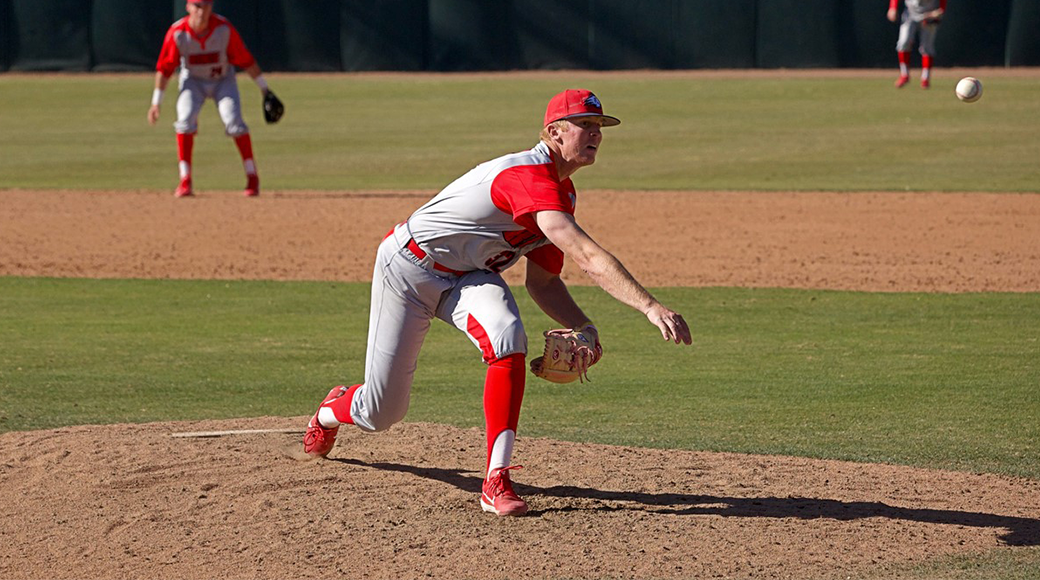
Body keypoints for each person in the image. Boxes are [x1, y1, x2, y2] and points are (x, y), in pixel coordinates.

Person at [301, 89, 693, 517]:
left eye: (599, 126)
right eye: (585, 125)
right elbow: (586, 256)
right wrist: (650, 307)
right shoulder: (526, 177)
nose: (595, 133)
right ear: (554, 132)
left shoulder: (563, 195)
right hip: (408, 269)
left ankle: (496, 480)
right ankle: (329, 411)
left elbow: (543, 283)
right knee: (381, 412)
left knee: (509, 335)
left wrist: (586, 328)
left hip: (467, 277)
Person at [147, 0, 272, 197]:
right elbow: (165, 69)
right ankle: (185, 180)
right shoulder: (178, 32)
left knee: (234, 122)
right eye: (196, 5)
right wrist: (156, 102)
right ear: (188, 7)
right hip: (193, 81)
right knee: (185, 120)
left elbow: (245, 59)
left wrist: (265, 89)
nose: (201, 10)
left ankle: (252, 177)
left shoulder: (224, 29)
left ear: (211, 7)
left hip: (223, 80)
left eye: (205, 5)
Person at [887, 0, 947, 89]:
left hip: (929, 14)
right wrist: (893, 7)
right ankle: (904, 75)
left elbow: (942, 5)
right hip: (911, 13)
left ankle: (925, 78)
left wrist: (940, 10)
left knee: (927, 47)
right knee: (903, 43)